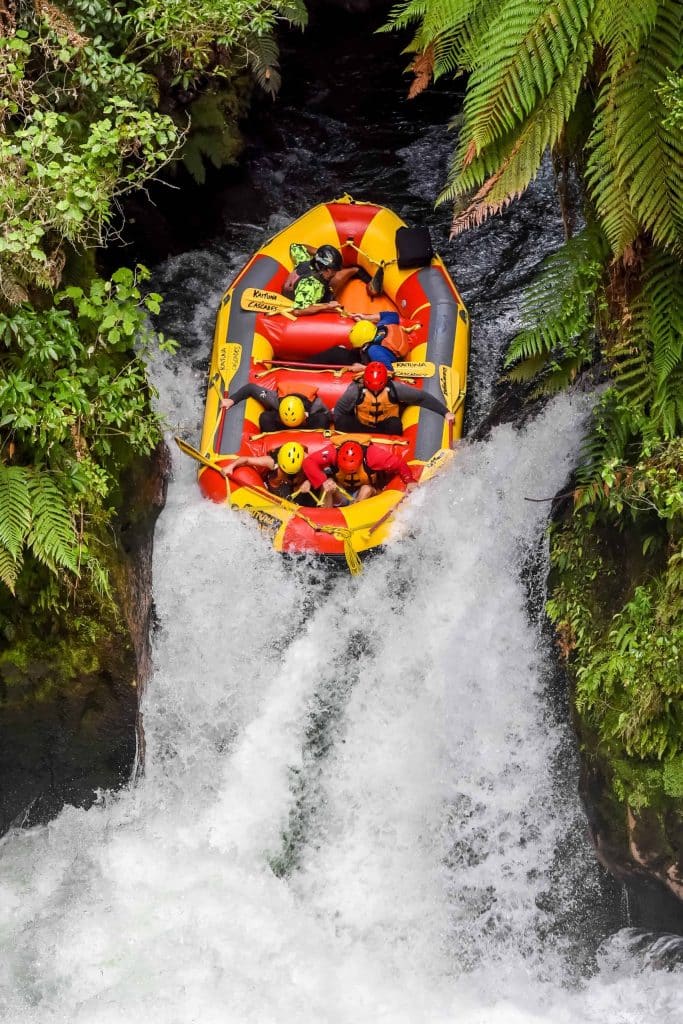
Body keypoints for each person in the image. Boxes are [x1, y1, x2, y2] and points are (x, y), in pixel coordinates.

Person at [333, 361, 455, 435]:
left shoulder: (395, 388)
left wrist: (445, 412)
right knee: (343, 422)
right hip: (362, 425)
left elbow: (421, 397)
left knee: (395, 424)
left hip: (385, 426)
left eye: (378, 388)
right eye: (372, 388)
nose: (375, 390)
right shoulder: (354, 390)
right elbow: (339, 411)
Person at [301, 438, 417, 507]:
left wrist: (409, 480)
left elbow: (399, 463)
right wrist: (324, 481)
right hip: (342, 491)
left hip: (365, 493)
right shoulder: (332, 453)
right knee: (328, 485)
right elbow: (308, 462)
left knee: (366, 489)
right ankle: (325, 518)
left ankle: (353, 515)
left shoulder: (373, 455)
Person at [283, 243, 369, 317]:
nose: (335, 273)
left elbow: (295, 246)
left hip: (298, 290)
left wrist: (319, 254)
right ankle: (356, 271)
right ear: (327, 270)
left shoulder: (303, 260)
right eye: (334, 271)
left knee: (335, 278)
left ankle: (356, 271)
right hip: (304, 301)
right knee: (335, 284)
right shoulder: (312, 285)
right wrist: (327, 306)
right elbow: (298, 310)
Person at [306, 314, 412, 371]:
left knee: (335, 353)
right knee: (338, 351)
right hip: (385, 352)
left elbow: (388, 370)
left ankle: (305, 367)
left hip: (371, 363)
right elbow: (392, 315)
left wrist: (363, 368)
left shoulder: (374, 351)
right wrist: (366, 317)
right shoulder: (383, 325)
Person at [226, 441, 315, 505]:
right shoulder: (271, 462)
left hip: (298, 489)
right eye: (284, 470)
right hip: (276, 488)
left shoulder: (307, 460)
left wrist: (309, 482)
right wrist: (231, 466)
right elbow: (246, 460)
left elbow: (321, 472)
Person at [220, 381, 331, 432]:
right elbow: (251, 388)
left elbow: (328, 415)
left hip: (306, 421)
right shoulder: (274, 399)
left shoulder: (316, 405)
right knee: (265, 417)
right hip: (282, 419)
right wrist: (232, 400)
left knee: (322, 419)